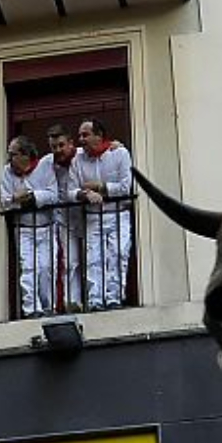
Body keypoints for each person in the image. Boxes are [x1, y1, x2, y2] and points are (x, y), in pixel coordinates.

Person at [73, 118, 133, 309]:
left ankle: (114, 297)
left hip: (118, 213)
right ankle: (96, 300)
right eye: (80, 135)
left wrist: (101, 187)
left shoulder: (120, 154)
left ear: (99, 136)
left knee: (118, 254)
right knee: (94, 259)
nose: (80, 139)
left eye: (85, 134)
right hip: (93, 216)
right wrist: (84, 193)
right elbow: (70, 189)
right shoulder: (77, 159)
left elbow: (127, 187)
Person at [0, 136, 60, 317]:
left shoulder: (44, 167)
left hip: (46, 227)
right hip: (24, 229)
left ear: (25, 155)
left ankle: (48, 307)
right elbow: (5, 201)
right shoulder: (7, 172)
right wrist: (16, 200)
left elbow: (53, 194)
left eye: (13, 155)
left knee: (47, 268)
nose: (10, 159)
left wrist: (32, 197)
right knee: (28, 269)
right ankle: (31, 308)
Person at [29, 122, 83, 308]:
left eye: (61, 145)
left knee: (97, 259)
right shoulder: (46, 163)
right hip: (64, 219)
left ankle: (96, 299)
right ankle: (72, 302)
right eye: (54, 147)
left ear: (70, 143)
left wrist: (116, 145)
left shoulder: (84, 156)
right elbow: (30, 177)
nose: (58, 150)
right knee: (70, 262)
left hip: (88, 215)